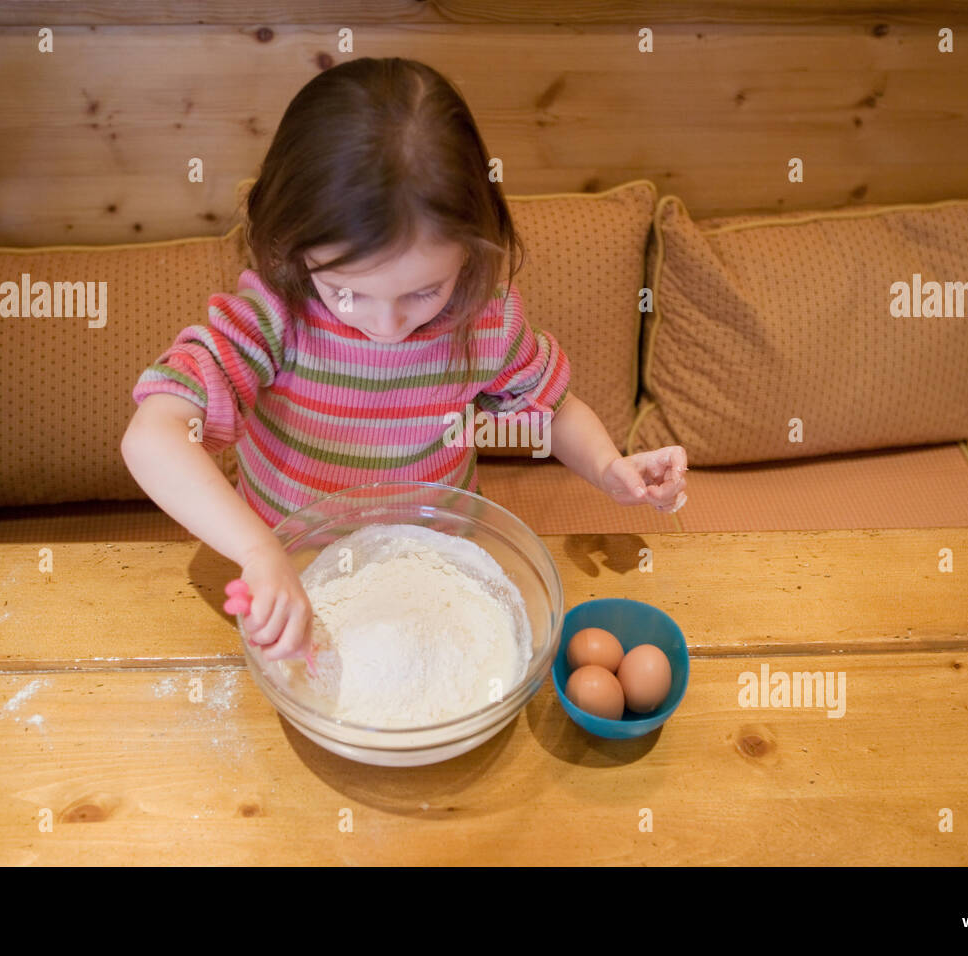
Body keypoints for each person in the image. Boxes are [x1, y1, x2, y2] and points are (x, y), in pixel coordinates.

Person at [122, 57, 687, 664]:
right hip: (293, 580)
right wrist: (260, 553)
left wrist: (607, 466)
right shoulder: (273, 320)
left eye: (423, 291)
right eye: (348, 291)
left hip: (435, 584)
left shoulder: (484, 322)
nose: (386, 325)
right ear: (295, 246)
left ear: (471, 253)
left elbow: (549, 410)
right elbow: (151, 437)